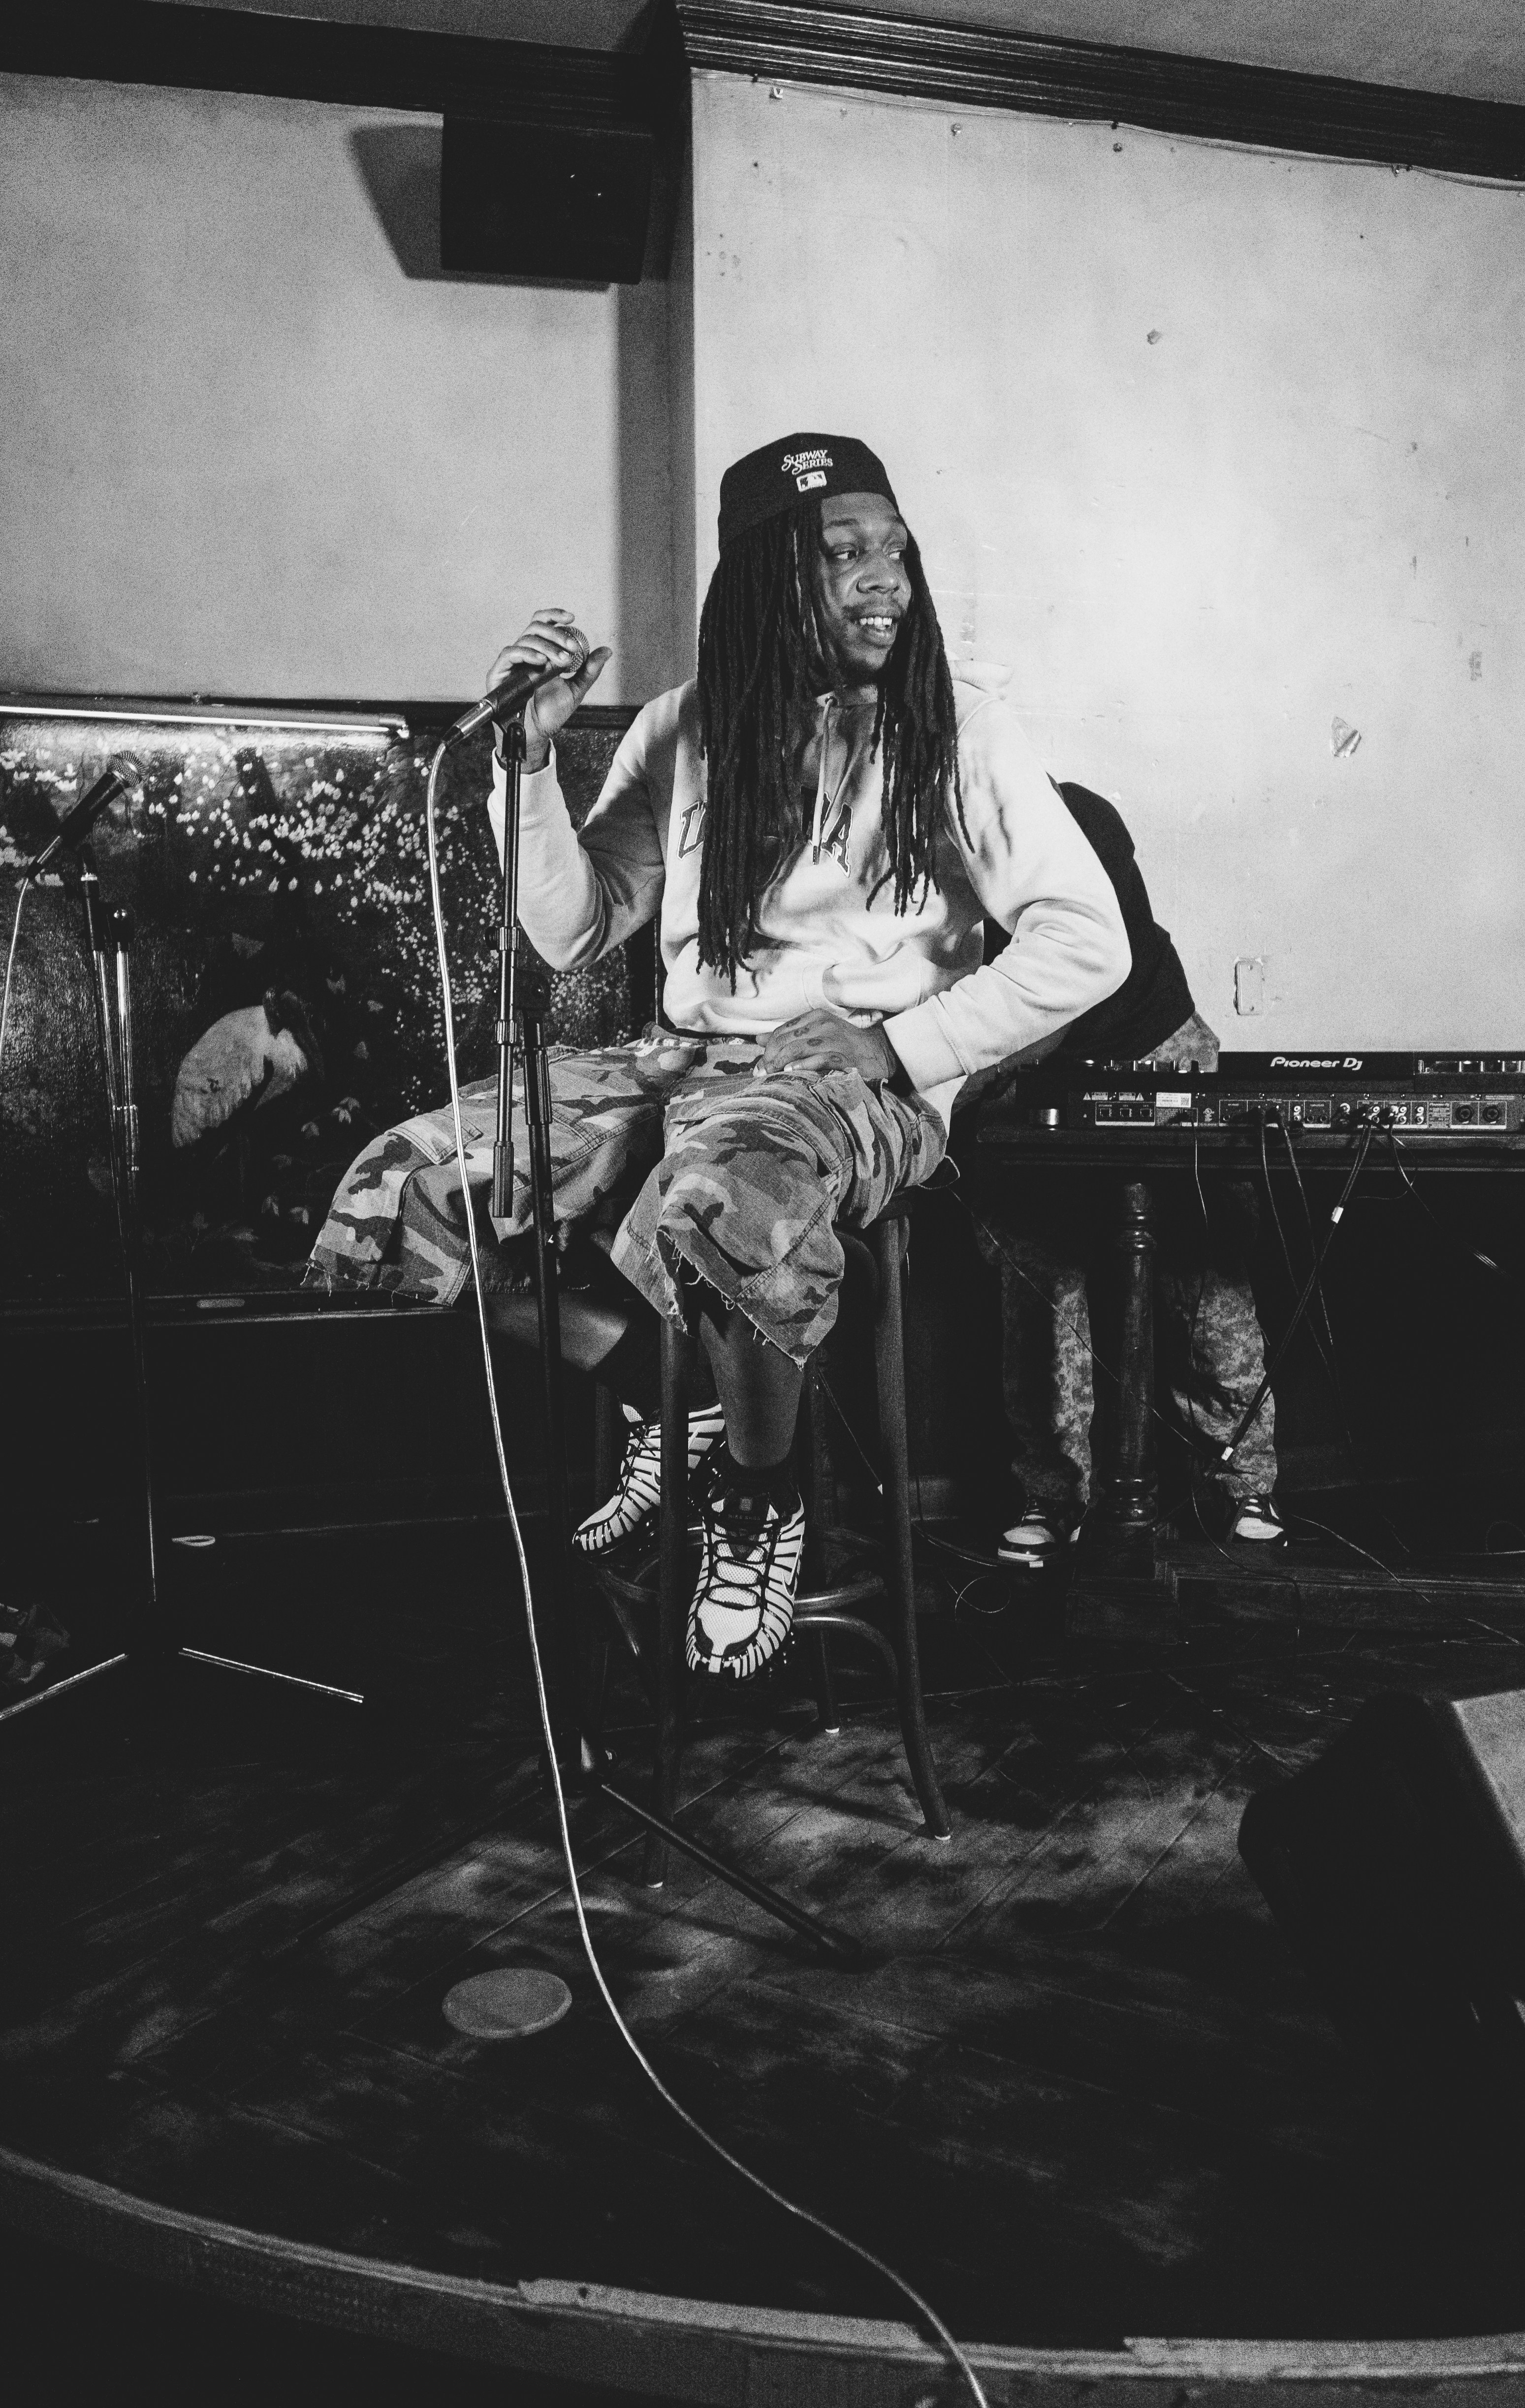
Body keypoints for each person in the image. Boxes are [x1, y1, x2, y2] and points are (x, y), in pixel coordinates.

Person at [312, 432, 1131, 1676]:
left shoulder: (957, 731)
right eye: (845, 552)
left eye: (894, 551)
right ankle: (676, 1393)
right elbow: (573, 924)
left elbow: (1089, 940)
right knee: (403, 1188)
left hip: (850, 1085)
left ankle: (759, 1501)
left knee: (718, 1205)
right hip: (685, 1054)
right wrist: (527, 758)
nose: (886, 580)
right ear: (763, 576)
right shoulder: (677, 728)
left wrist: (900, 1042)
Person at [971, 783, 1283, 1561]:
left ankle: (1244, 1487)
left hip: (1156, 1050)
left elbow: (1076, 987)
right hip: (1027, 1071)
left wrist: (960, 1080)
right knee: (1037, 1281)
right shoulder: (925, 840)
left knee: (1206, 1283)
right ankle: (1053, 1498)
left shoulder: (1078, 816)